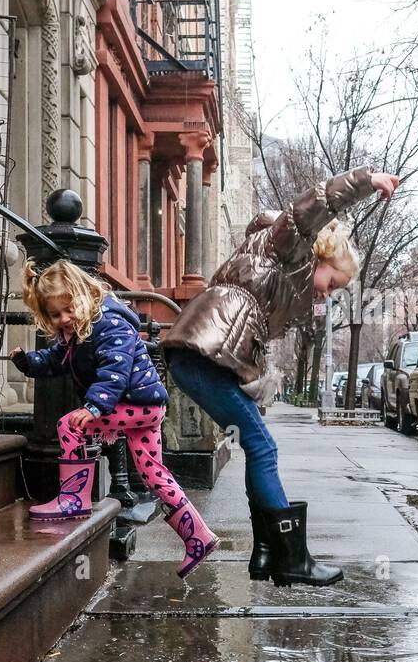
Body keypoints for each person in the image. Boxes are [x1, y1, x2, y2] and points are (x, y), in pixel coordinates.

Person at [162, 166, 400, 587]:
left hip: (202, 355)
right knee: (263, 448)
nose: (330, 291)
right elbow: (318, 201)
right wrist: (367, 181)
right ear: (322, 258)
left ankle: (266, 553)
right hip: (202, 354)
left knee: (259, 447)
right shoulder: (287, 246)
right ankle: (292, 558)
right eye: (335, 281)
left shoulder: (283, 273)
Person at [10, 259, 218, 579]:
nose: (64, 318)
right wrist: (27, 362)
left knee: (69, 424)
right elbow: (54, 360)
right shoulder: (73, 332)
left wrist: (93, 408)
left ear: (82, 296)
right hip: (142, 407)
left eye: (68, 309)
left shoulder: (109, 324)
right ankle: (199, 537)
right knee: (154, 474)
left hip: (137, 404)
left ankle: (73, 498)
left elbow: (114, 373)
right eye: (55, 315)